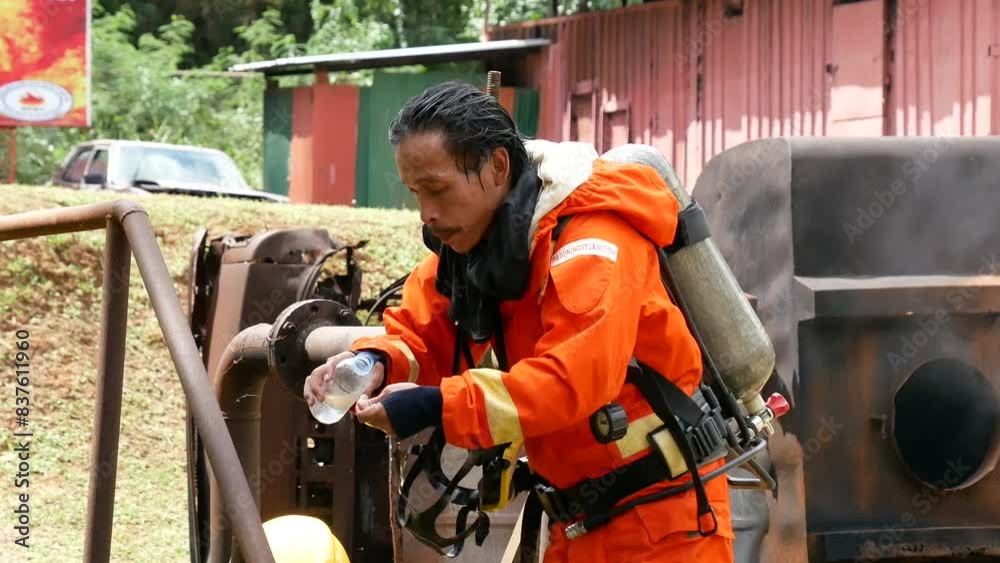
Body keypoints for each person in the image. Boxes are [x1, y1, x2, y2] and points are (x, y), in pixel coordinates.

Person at [304, 81, 734, 563]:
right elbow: (420, 333)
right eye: (415, 193)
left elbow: (573, 381)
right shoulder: (474, 240)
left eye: (438, 190)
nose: (427, 213)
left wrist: (435, 405)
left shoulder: (594, 235)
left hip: (667, 525)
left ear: (498, 168)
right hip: (573, 524)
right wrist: (371, 363)